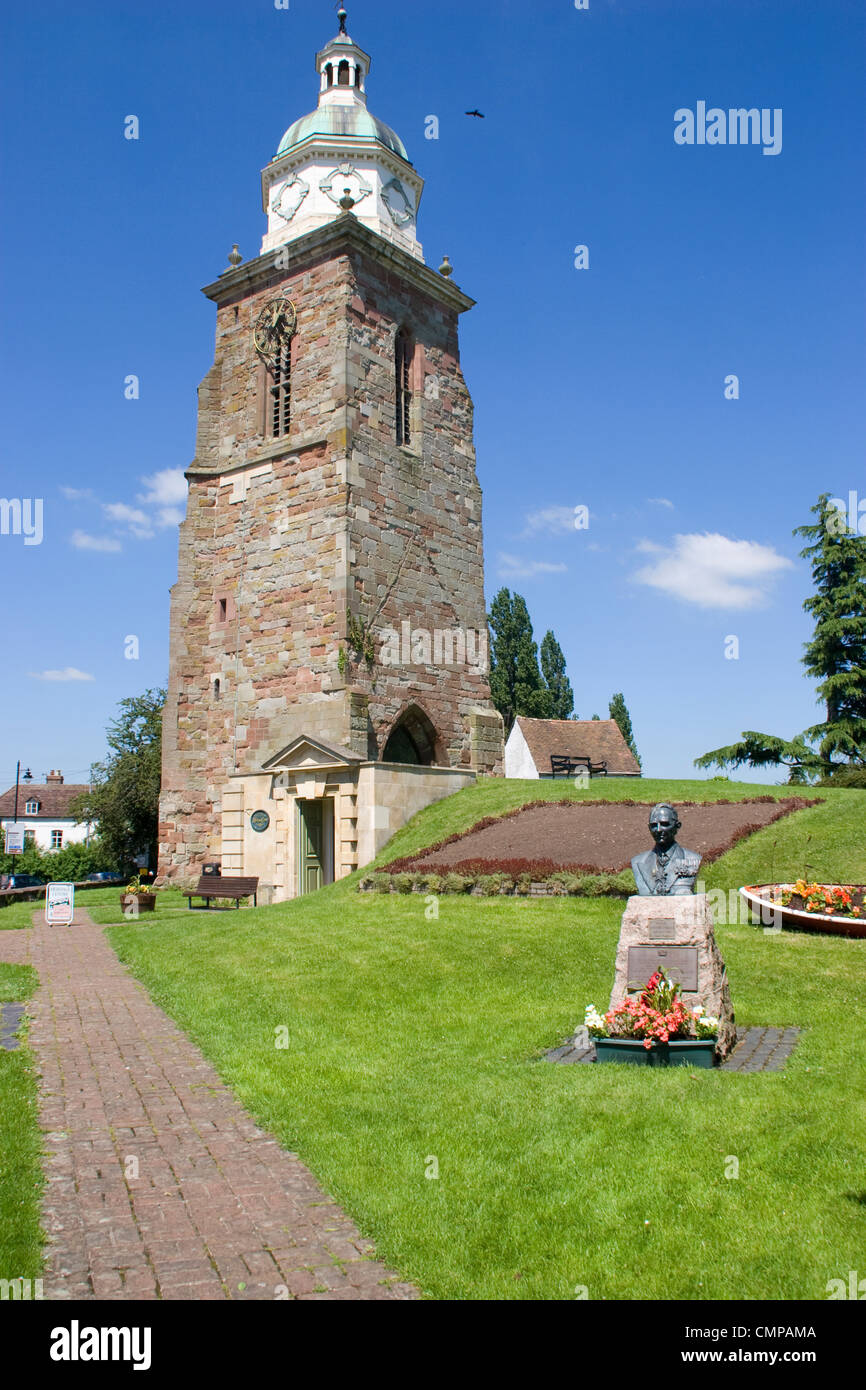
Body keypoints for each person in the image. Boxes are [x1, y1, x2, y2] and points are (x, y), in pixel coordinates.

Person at [631, 803, 701, 896]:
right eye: (654, 825)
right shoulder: (638, 862)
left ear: (677, 826)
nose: (658, 829)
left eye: (664, 824)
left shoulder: (693, 859)